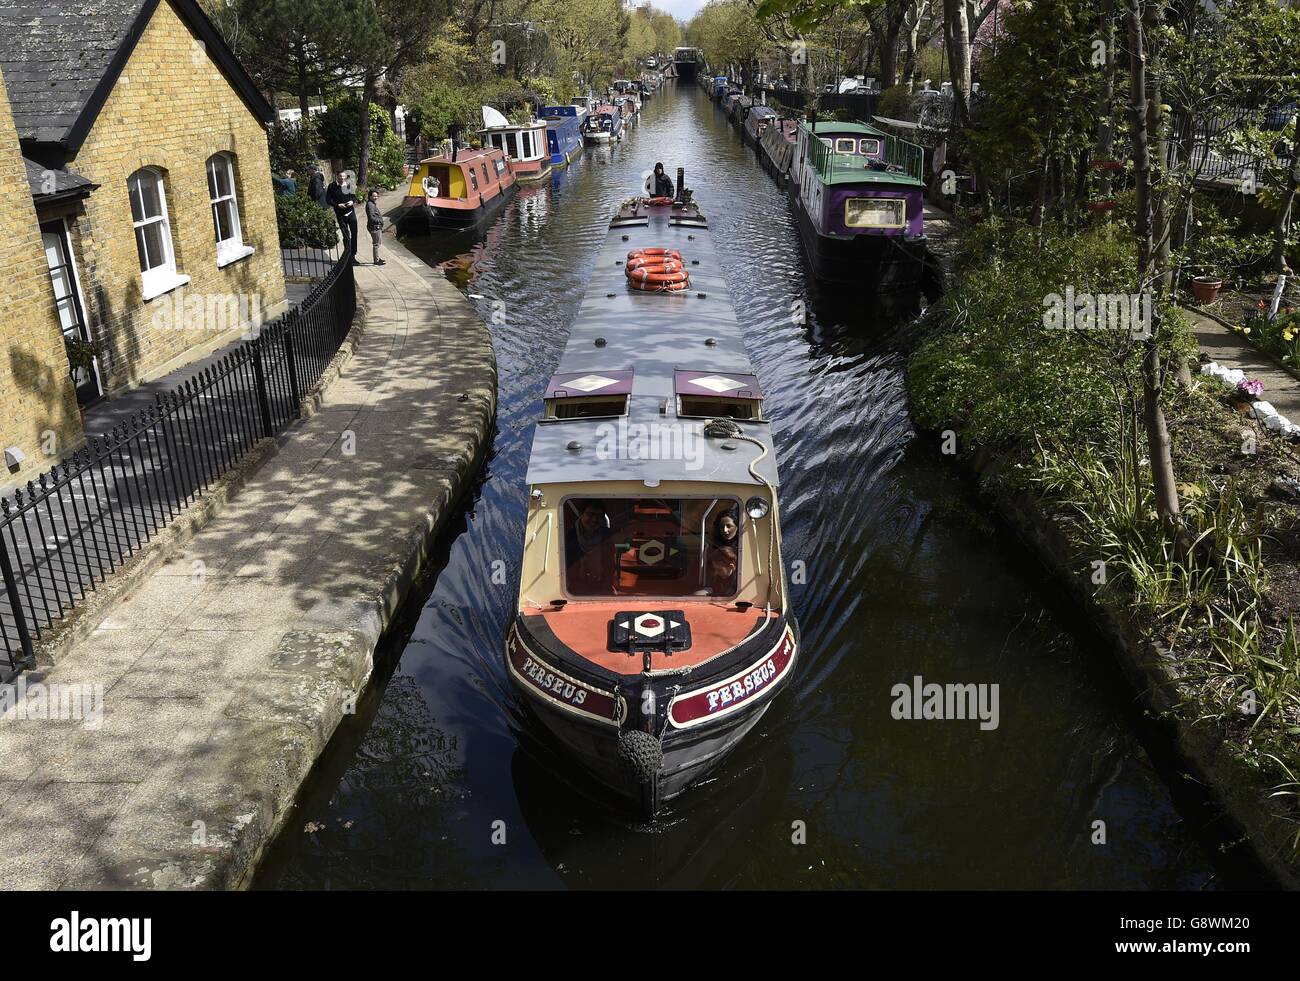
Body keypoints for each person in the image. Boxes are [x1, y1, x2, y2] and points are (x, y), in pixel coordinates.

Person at [565, 501, 613, 594]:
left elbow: (609, 564)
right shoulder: (567, 534)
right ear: (581, 514)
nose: (594, 519)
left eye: (599, 516)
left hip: (600, 585)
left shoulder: (607, 536)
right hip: (572, 587)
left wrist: (607, 585)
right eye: (590, 514)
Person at [325, 170, 359, 263]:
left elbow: (354, 197)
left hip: (350, 212)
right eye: (341, 176)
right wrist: (337, 205)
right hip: (340, 213)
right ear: (337, 176)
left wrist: (352, 201)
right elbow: (328, 200)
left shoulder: (349, 185)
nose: (342, 178)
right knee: (346, 235)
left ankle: (353, 255)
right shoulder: (332, 186)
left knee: (354, 233)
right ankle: (347, 255)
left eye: (344, 176)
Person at [365, 190, 385, 266]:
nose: (376, 197)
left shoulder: (371, 204)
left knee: (377, 243)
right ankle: (376, 260)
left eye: (376, 196)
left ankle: (377, 258)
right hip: (374, 227)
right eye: (374, 196)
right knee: (376, 244)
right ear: (370, 196)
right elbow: (371, 217)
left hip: (375, 226)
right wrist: (379, 221)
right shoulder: (370, 205)